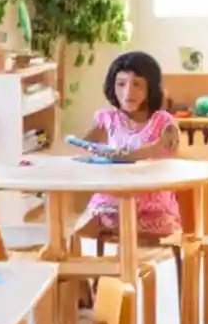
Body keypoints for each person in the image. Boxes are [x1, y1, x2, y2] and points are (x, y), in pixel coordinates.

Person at [71, 51, 182, 240]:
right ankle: (82, 266)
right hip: (111, 200)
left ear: (151, 89)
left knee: (128, 232)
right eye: (121, 84)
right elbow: (82, 148)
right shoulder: (107, 119)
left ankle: (127, 265)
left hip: (151, 206)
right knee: (76, 233)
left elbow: (161, 149)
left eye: (137, 84)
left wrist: (121, 155)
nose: (128, 93)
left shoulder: (164, 122)